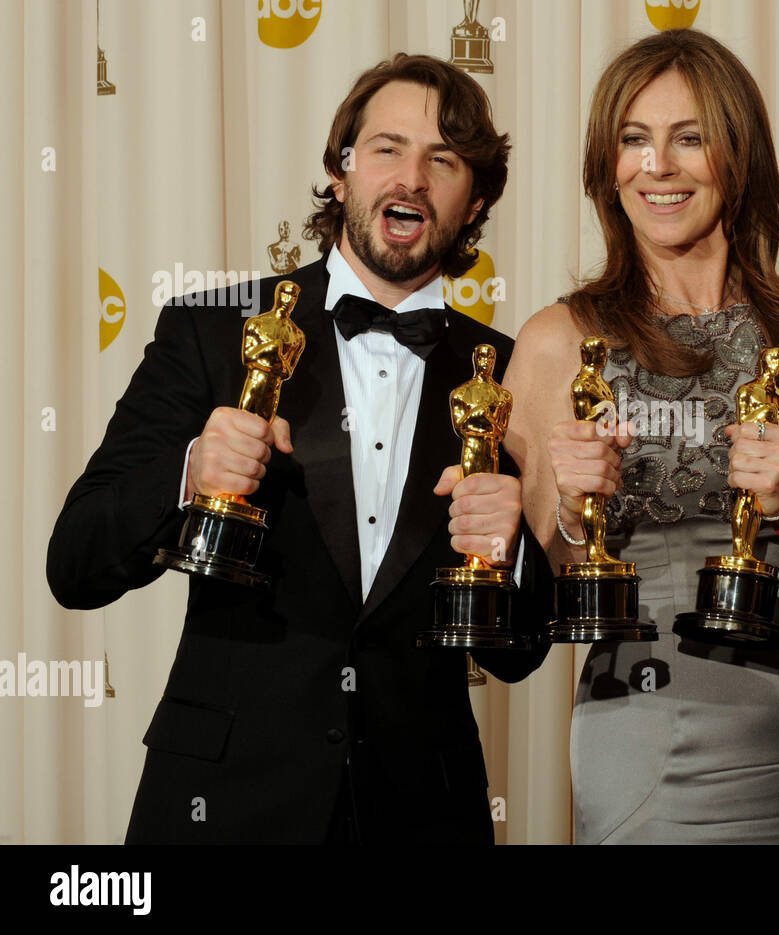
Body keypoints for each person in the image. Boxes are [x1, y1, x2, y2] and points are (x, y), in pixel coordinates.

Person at [46, 53, 551, 844]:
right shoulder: (213, 329)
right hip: (223, 804)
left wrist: (513, 547)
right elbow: (73, 563)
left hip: (424, 813)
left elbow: (519, 655)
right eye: (386, 148)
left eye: (443, 161)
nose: (411, 178)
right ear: (340, 169)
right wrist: (187, 474)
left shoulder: (510, 367)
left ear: (475, 199)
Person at [503, 30, 779, 844]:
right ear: (608, 167)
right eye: (633, 141)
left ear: (738, 152)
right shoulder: (557, 342)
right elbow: (552, 583)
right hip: (650, 739)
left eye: (689, 138)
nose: (657, 167)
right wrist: (572, 511)